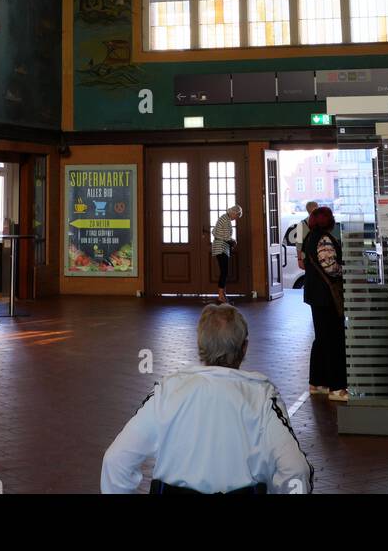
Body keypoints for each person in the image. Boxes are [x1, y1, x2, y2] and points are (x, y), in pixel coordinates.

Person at [101, 304, 313, 494]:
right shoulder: (263, 398)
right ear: (244, 347)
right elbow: (296, 470)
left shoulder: (167, 392)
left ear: (200, 344)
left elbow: (116, 461)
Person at [302, 205, 347, 402]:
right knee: (334, 340)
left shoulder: (310, 237)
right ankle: (337, 387)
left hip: (314, 294)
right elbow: (330, 267)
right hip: (326, 295)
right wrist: (347, 270)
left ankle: (317, 382)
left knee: (321, 339)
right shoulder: (325, 239)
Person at [211, 204, 242, 303]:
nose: (236, 219)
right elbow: (226, 237)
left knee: (224, 272)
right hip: (221, 248)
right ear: (234, 213)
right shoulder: (226, 220)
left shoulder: (223, 218)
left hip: (219, 247)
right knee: (224, 272)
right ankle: (221, 296)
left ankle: (223, 295)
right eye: (237, 216)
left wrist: (230, 240)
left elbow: (214, 231)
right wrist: (234, 241)